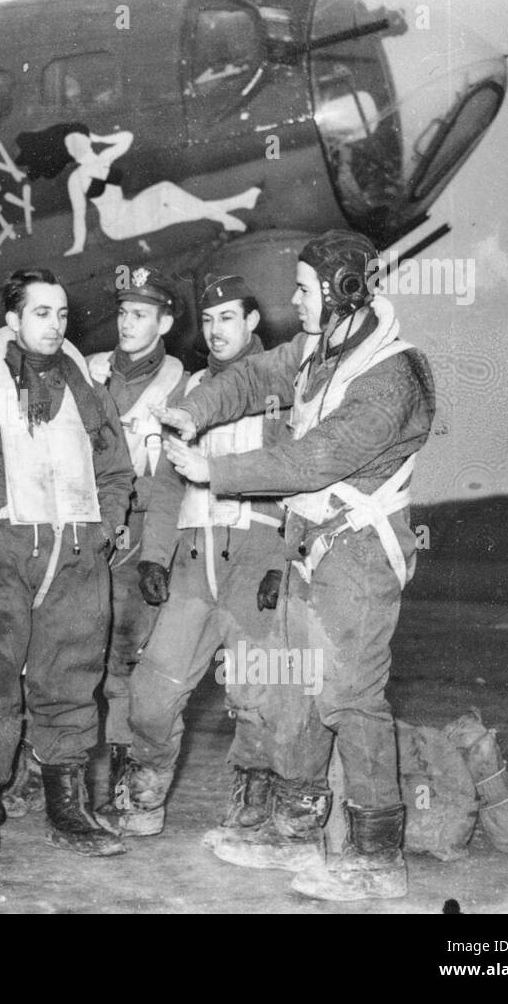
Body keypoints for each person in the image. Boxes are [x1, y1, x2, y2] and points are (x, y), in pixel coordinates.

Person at [154, 230, 435, 901]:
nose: (296, 300)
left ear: (342, 292)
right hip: (313, 546)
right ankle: (297, 831)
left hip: (359, 557)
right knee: (301, 692)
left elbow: (313, 459)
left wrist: (214, 469)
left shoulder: (390, 375)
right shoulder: (321, 351)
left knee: (350, 700)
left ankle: (374, 857)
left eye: (306, 288)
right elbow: (253, 376)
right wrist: (192, 411)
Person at [0, 268, 132, 857]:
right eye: (41, 313)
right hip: (2, 558)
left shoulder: (89, 389)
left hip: (77, 561)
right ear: (13, 320)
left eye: (62, 314)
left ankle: (71, 813)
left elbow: (116, 470)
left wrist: (105, 529)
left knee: (71, 683)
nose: (55, 325)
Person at [113, 276, 292, 840]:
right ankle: (145, 790)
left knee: (255, 693)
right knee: (153, 691)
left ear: (253, 322)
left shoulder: (283, 388)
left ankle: (253, 799)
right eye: (208, 320)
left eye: (229, 319)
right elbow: (168, 485)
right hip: (192, 562)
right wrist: (154, 557)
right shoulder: (189, 390)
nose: (216, 331)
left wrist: (282, 562)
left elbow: (305, 482)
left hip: (254, 560)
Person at [82, 266, 184, 818]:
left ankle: (121, 785)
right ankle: (42, 771)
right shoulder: (88, 372)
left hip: (139, 534)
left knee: (125, 664)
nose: (127, 323)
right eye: (122, 312)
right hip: (84, 532)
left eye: (140, 313)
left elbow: (173, 479)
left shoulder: (183, 384)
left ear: (165, 320)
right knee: (63, 655)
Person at [13, 123, 261, 256]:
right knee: (167, 195)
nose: (86, 147)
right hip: (119, 226)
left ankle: (235, 214)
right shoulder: (77, 179)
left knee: (177, 210)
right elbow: (78, 216)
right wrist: (77, 246)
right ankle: (238, 205)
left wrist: (100, 138)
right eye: (82, 144)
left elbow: (127, 138)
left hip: (131, 211)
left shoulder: (103, 159)